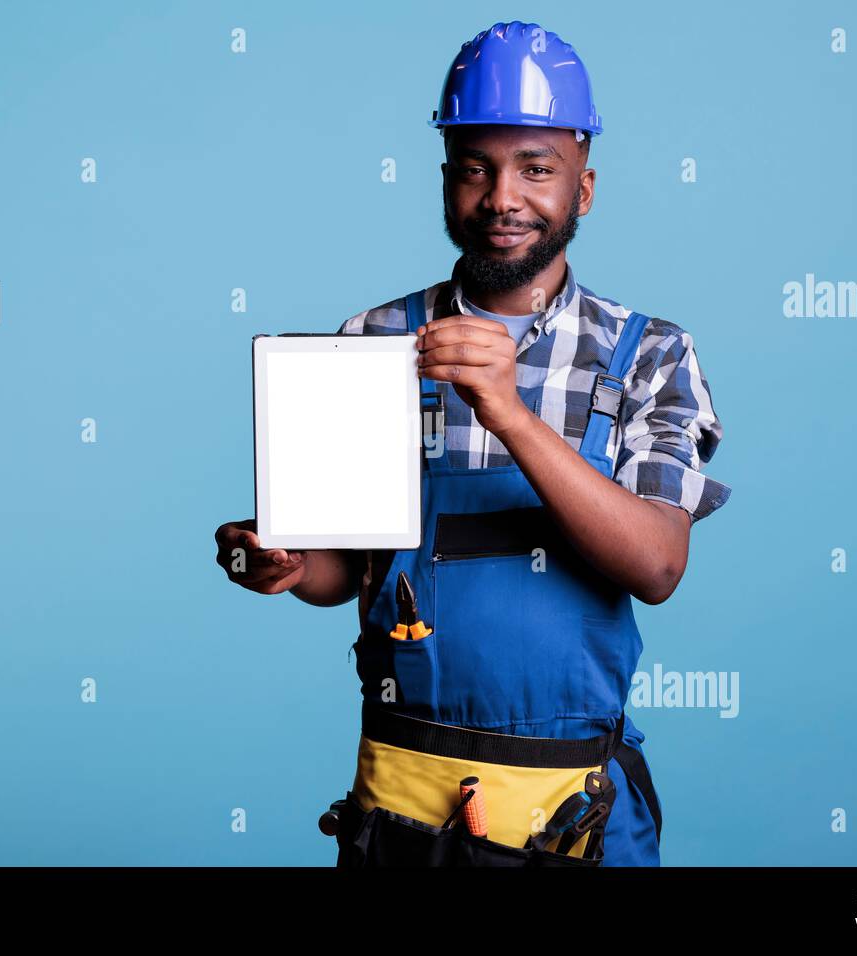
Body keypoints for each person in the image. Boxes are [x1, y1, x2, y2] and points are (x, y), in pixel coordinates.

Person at [214, 20, 730, 867]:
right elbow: (357, 565)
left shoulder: (651, 355)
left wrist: (511, 413)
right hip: (401, 805)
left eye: (536, 168)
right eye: (474, 169)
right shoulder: (374, 339)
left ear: (584, 188)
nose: (502, 198)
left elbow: (658, 565)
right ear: (446, 181)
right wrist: (291, 564)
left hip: (571, 812)